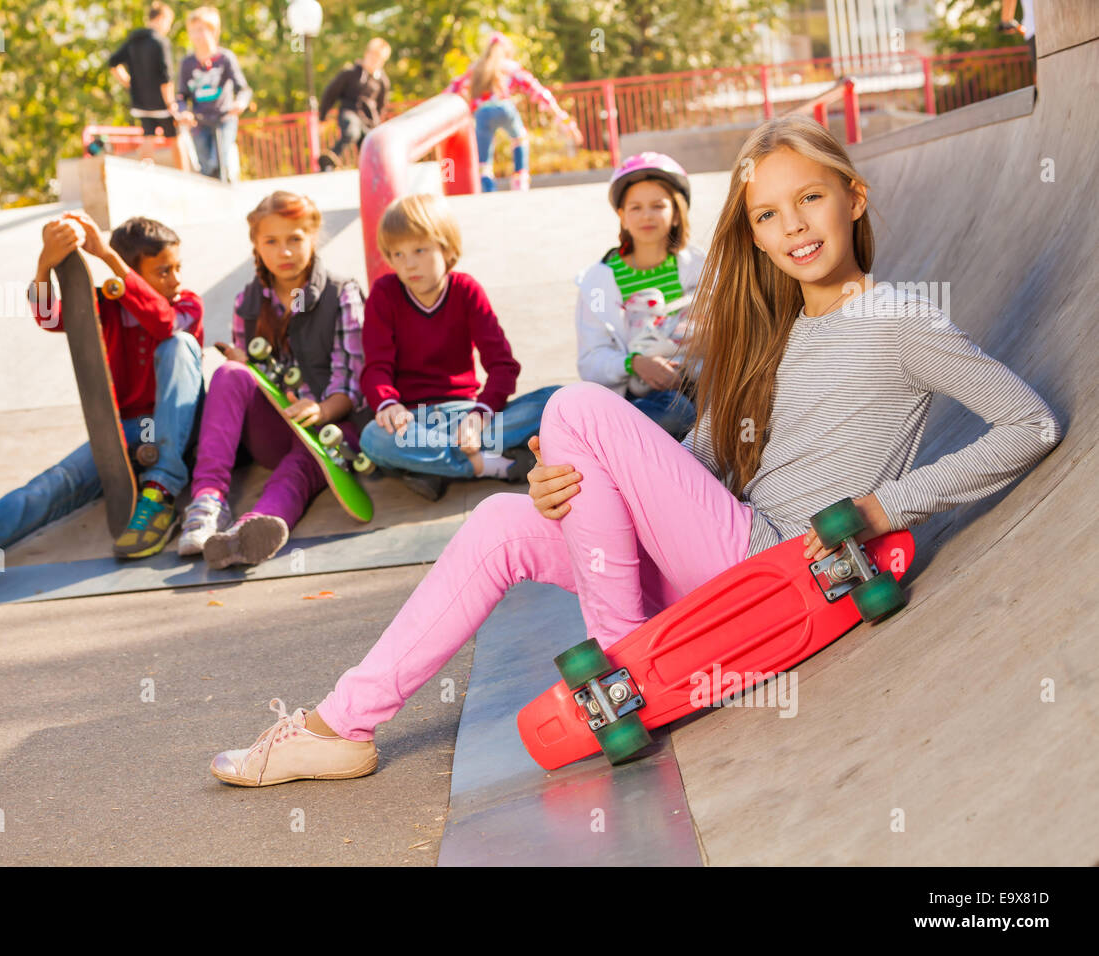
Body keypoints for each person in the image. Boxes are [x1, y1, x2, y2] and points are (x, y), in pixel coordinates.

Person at [205, 114, 1062, 787]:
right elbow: (701, 462)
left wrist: (887, 506)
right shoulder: (778, 330)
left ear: (855, 197)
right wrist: (572, 492)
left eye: (810, 199)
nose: (793, 226)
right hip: (724, 551)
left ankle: (629, 667)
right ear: (755, 235)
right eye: (768, 214)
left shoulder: (900, 319)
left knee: (578, 402)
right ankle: (339, 728)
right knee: (504, 520)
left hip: (778, 566)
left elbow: (1029, 424)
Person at [0, 213, 205, 597]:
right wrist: (46, 264)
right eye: (163, 271)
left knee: (179, 344)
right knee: (51, 486)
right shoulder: (105, 305)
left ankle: (161, 491)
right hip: (121, 438)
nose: (176, 279)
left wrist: (106, 255)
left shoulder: (187, 304)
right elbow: (51, 317)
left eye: (177, 268)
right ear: (130, 277)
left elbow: (164, 324)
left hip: (180, 433)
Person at [178, 191, 369, 567]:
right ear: (256, 245)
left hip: (333, 429)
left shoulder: (341, 294)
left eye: (295, 239)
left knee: (302, 461)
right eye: (272, 241)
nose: (284, 252)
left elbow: (353, 380)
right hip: (278, 426)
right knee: (230, 372)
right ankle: (208, 502)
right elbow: (258, 383)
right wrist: (248, 366)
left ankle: (254, 529)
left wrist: (322, 409)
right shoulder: (246, 303)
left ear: (313, 238)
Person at [356, 193, 559, 502]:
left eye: (419, 250)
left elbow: (503, 365)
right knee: (373, 438)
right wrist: (388, 404)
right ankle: (491, 465)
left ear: (446, 247)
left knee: (554, 401)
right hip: (413, 418)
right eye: (397, 254)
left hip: (465, 412)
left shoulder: (466, 290)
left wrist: (479, 415)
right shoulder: (384, 294)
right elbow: (376, 368)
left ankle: (431, 465)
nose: (408, 263)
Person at [576, 152, 705, 439]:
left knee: (680, 412)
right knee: (555, 398)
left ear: (676, 214)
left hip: (696, 393)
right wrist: (634, 363)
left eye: (658, 206)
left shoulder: (702, 269)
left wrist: (687, 370)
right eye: (635, 207)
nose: (646, 215)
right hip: (631, 399)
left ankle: (598, 438)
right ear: (621, 216)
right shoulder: (598, 281)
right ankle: (602, 435)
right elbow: (590, 361)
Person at [446, 32, 583, 192]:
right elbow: (538, 91)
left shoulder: (476, 68)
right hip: (504, 108)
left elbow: (453, 89)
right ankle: (520, 178)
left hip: (482, 113)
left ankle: (487, 184)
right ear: (505, 51)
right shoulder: (509, 67)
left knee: (484, 153)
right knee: (519, 138)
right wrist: (566, 122)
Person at [175, 6, 252, 182]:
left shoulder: (225, 58)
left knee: (220, 161)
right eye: (193, 31)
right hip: (199, 122)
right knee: (206, 168)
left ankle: (226, 185)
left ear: (213, 31)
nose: (197, 36)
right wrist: (183, 111)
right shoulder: (188, 63)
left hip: (224, 119)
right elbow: (181, 95)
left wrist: (240, 102)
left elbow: (244, 89)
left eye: (201, 30)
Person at [316, 38, 392, 172]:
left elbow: (381, 105)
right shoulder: (350, 74)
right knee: (351, 132)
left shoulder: (382, 81)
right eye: (373, 56)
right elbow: (330, 93)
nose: (375, 61)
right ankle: (331, 158)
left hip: (369, 117)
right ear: (366, 54)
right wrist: (322, 117)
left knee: (369, 143)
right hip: (349, 111)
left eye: (379, 59)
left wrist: (378, 122)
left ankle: (370, 168)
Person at [108, 2, 180, 139]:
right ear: (161, 18)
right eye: (168, 23)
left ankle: (146, 162)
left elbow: (113, 63)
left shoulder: (134, 40)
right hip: (162, 103)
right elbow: (166, 76)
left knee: (148, 137)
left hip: (141, 103)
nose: (168, 28)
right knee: (176, 137)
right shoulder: (160, 42)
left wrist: (128, 82)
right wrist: (170, 103)